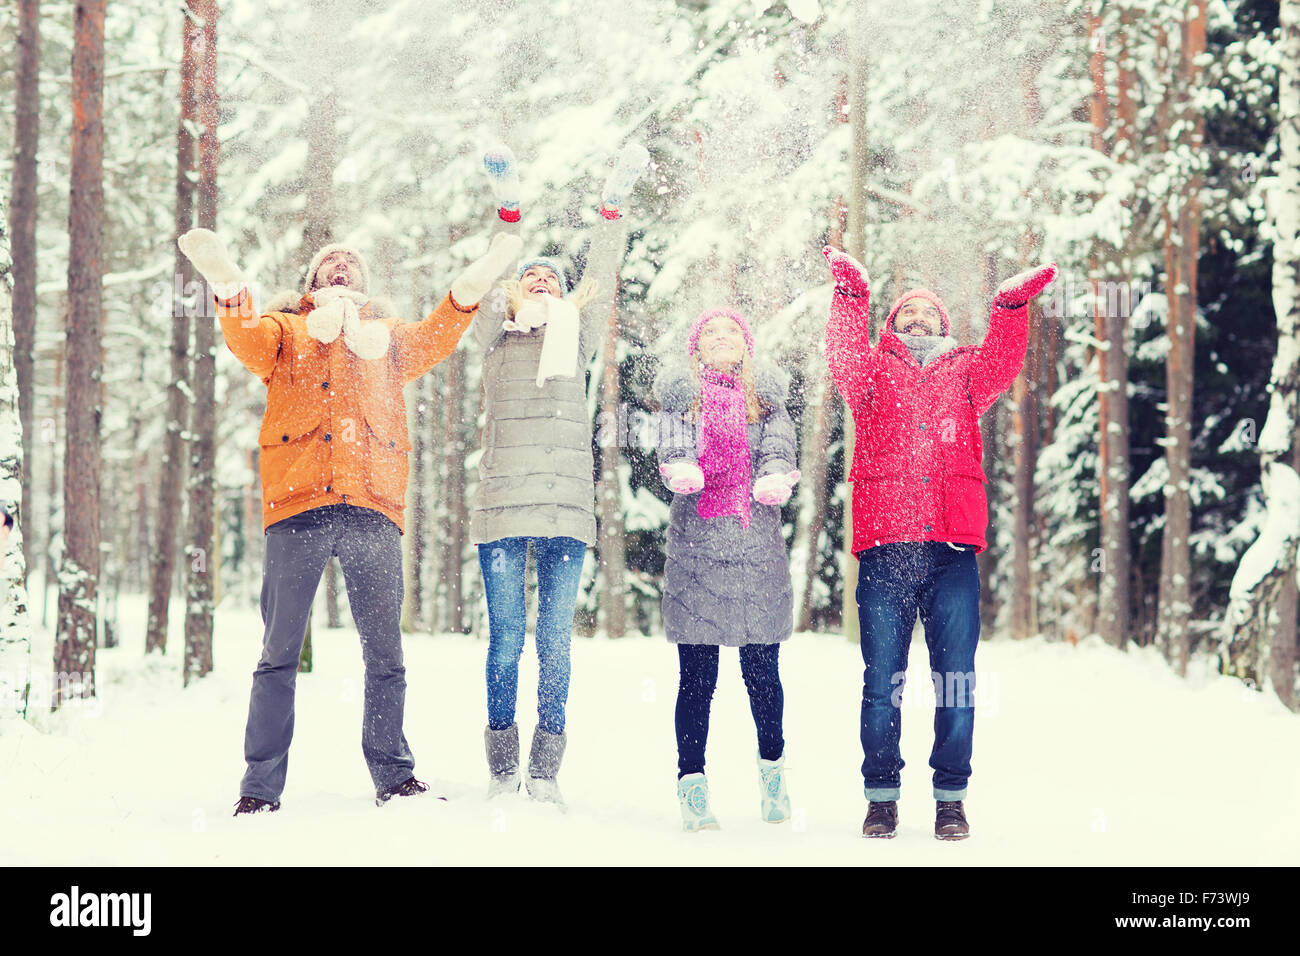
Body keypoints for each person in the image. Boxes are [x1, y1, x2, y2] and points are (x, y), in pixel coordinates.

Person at [177, 223, 521, 814]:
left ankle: (393, 774)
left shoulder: (388, 339)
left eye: (350, 264)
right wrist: (228, 283)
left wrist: (477, 280)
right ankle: (260, 787)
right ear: (310, 281)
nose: (341, 268)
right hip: (299, 506)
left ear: (365, 283)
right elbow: (244, 338)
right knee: (278, 653)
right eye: (329, 264)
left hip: (372, 506)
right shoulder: (286, 331)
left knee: (386, 654)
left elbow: (440, 333)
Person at [822, 244, 1057, 840]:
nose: (918, 319)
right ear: (891, 326)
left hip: (950, 551)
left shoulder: (967, 373)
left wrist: (1010, 304)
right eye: (907, 314)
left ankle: (951, 797)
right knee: (882, 683)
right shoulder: (872, 374)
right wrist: (851, 294)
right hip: (886, 548)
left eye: (929, 314)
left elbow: (1005, 359)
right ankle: (881, 796)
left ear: (945, 326)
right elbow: (844, 354)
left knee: (956, 681)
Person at [470, 142, 648, 806]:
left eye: (551, 278)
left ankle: (544, 770)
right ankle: (500, 764)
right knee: (505, 642)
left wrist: (614, 201)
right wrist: (508, 210)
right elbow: (491, 276)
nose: (542, 284)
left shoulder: (578, 338)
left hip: (568, 511)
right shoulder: (497, 335)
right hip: (502, 511)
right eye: (532, 278)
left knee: (555, 647)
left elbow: (604, 263)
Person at [653, 307, 801, 832]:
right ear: (695, 348)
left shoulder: (770, 402)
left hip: (756, 547)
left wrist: (777, 476)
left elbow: (781, 449)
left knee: (763, 673)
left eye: (731, 330)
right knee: (697, 678)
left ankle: (773, 776)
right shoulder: (679, 399)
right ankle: (693, 787)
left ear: (747, 344)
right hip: (696, 551)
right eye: (709, 331)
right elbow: (671, 444)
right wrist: (680, 466)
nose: (721, 337)